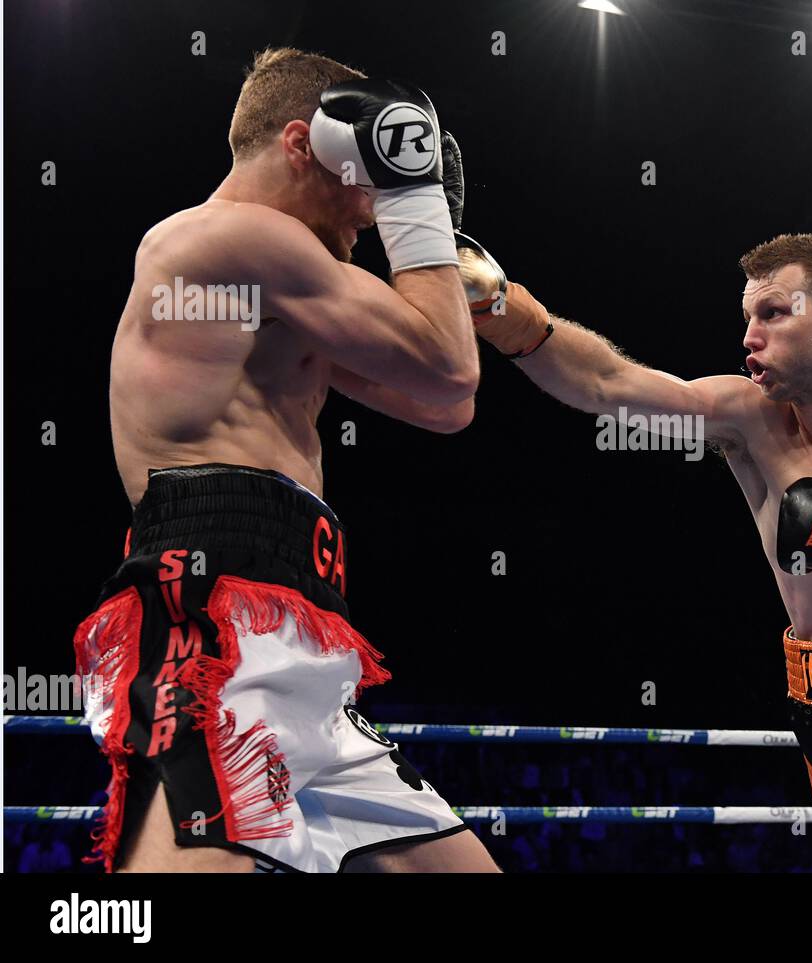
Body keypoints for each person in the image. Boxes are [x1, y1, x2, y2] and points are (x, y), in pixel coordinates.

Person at [463, 233, 812, 872]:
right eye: (747, 318)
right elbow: (608, 384)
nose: (750, 336)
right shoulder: (748, 420)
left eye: (773, 314)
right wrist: (507, 312)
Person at [72, 47, 498, 873]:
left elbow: (448, 406)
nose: (371, 211)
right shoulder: (231, 239)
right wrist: (417, 199)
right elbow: (452, 362)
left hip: (302, 633)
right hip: (210, 618)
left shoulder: (286, 287)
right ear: (306, 143)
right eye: (366, 177)